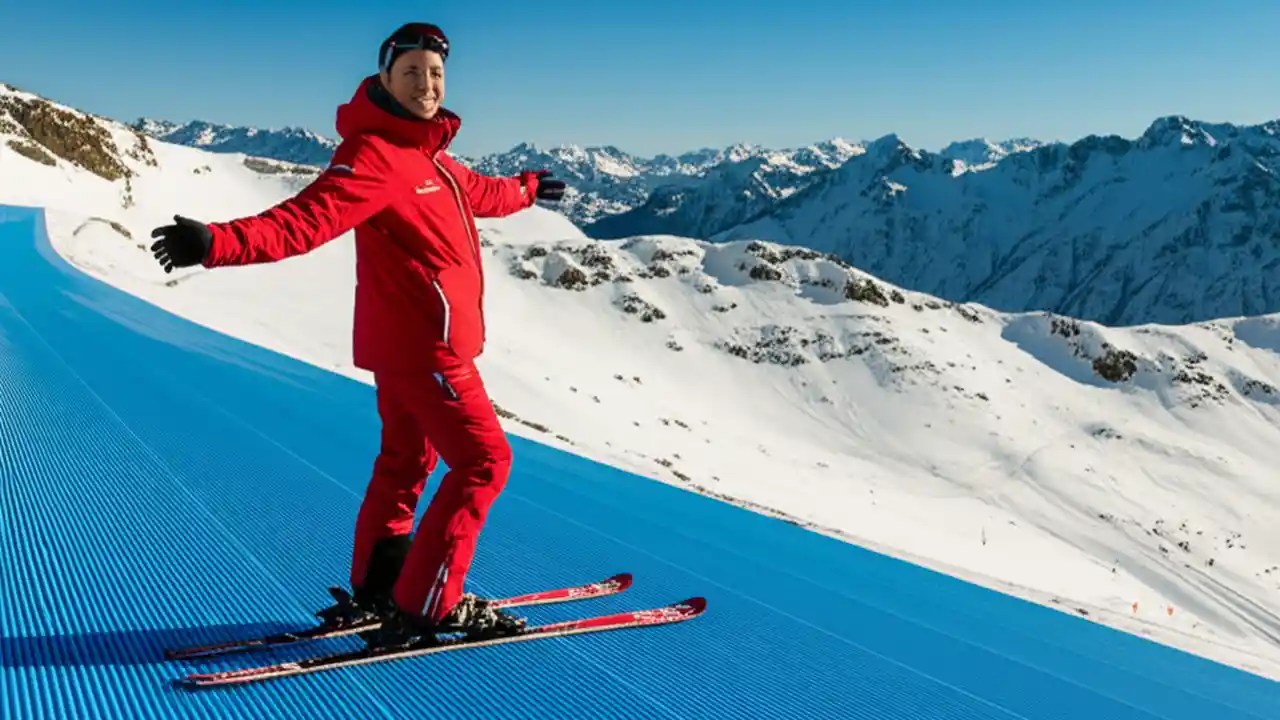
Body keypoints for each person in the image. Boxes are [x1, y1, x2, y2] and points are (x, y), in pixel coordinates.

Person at [148, 22, 567, 646]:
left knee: (408, 461)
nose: (426, 86)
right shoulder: (374, 155)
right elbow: (305, 220)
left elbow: (481, 192)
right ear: (384, 79)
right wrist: (217, 241)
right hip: (427, 350)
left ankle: (382, 585)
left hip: (407, 348)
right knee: (484, 462)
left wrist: (529, 188)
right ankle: (427, 605)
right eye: (412, 74)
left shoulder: (431, 159)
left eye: (435, 75)